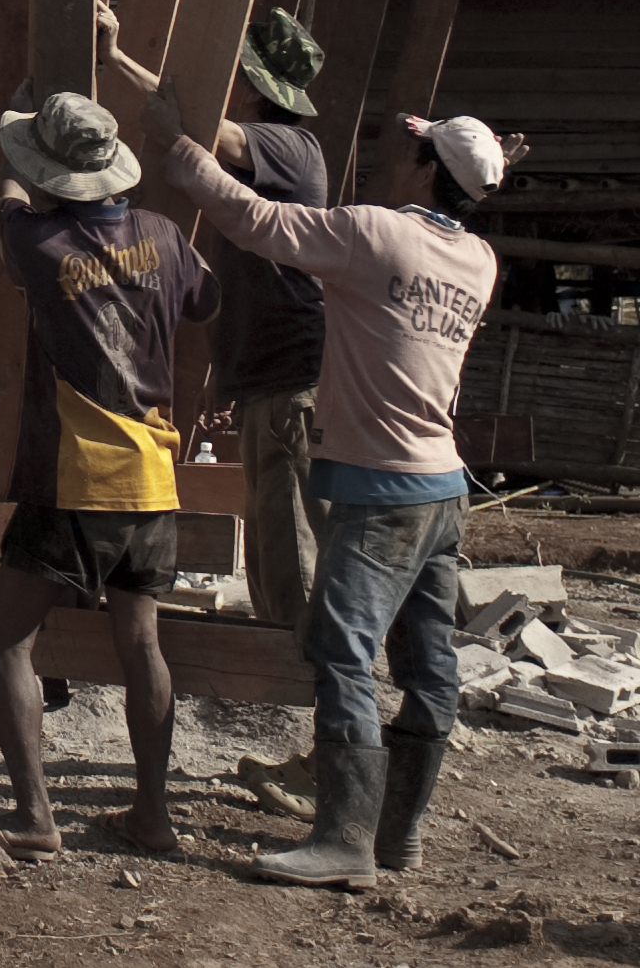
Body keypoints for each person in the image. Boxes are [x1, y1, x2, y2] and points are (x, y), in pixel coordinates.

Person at [146, 84, 524, 889]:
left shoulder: (375, 236)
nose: (398, 158)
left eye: (412, 149)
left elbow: (257, 222)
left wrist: (180, 149)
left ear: (426, 169)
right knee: (427, 664)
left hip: (380, 488)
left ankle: (345, 840)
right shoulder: (479, 262)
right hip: (443, 487)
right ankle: (400, 836)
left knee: (341, 647)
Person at [96, 0, 332, 820]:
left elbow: (181, 129)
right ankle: (323, 750)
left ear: (254, 81)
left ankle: (328, 761)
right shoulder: (280, 147)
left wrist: (118, 53)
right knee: (277, 567)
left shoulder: (284, 146)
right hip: (272, 384)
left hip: (289, 386)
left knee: (296, 568)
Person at [0, 87, 221, 861]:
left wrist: (19, 152)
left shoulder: (40, 245)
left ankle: (34, 817)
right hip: (155, 481)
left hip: (77, 478)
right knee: (141, 646)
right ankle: (153, 816)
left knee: (7, 640)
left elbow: (10, 198)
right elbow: (206, 299)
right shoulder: (163, 234)